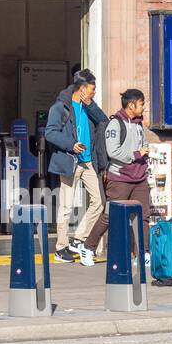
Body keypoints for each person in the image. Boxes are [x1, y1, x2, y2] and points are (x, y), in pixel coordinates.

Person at [44, 69, 109, 263]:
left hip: (88, 161)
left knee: (99, 202)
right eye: (91, 89)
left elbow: (104, 121)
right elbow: (50, 132)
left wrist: (91, 105)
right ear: (81, 88)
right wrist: (70, 145)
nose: (94, 92)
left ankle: (78, 239)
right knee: (66, 205)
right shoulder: (60, 107)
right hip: (70, 160)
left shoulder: (89, 106)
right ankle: (61, 247)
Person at [81, 89, 152, 266]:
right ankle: (88, 248)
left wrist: (145, 154)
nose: (144, 107)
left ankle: (142, 254)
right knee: (110, 214)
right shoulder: (115, 124)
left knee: (143, 216)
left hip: (139, 178)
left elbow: (144, 145)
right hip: (120, 178)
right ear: (131, 105)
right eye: (141, 104)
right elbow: (113, 151)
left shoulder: (138, 124)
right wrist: (137, 154)